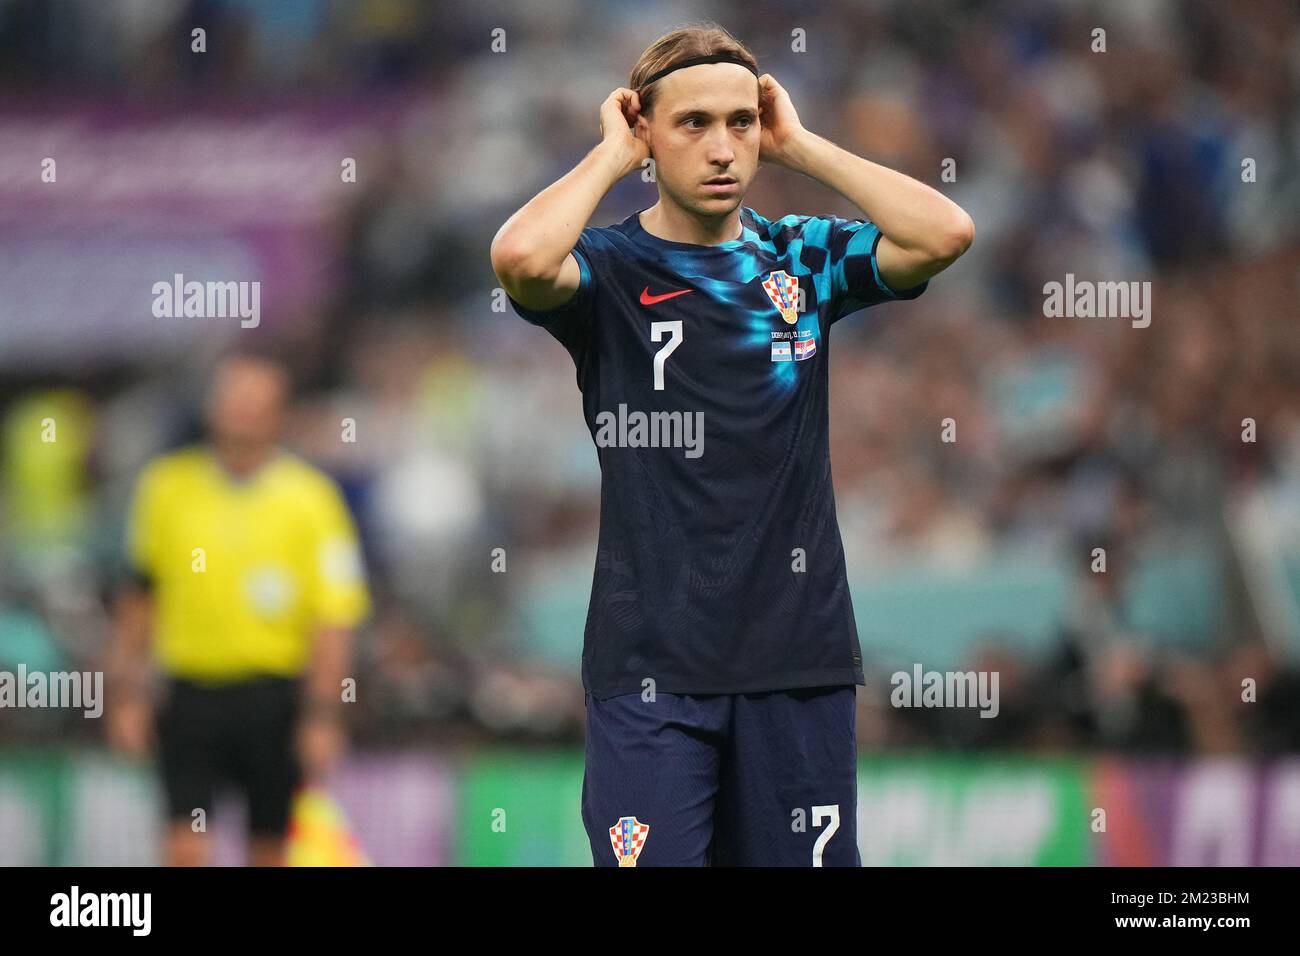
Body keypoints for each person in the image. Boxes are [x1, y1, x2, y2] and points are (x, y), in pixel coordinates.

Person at [491, 22, 973, 866]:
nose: (723, 147)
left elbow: (944, 234)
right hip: (651, 673)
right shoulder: (607, 273)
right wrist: (610, 155)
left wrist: (806, 146)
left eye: (741, 122)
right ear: (646, 131)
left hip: (797, 658)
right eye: (693, 124)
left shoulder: (801, 259)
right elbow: (521, 256)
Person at [107, 349, 370, 866]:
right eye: (234, 399)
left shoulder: (313, 500)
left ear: (280, 412)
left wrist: (323, 714)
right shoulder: (166, 488)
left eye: (257, 402)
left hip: (273, 697)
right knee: (184, 847)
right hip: (189, 693)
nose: (243, 411)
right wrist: (126, 693)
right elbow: (140, 598)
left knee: (269, 849)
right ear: (212, 406)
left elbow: (335, 618)